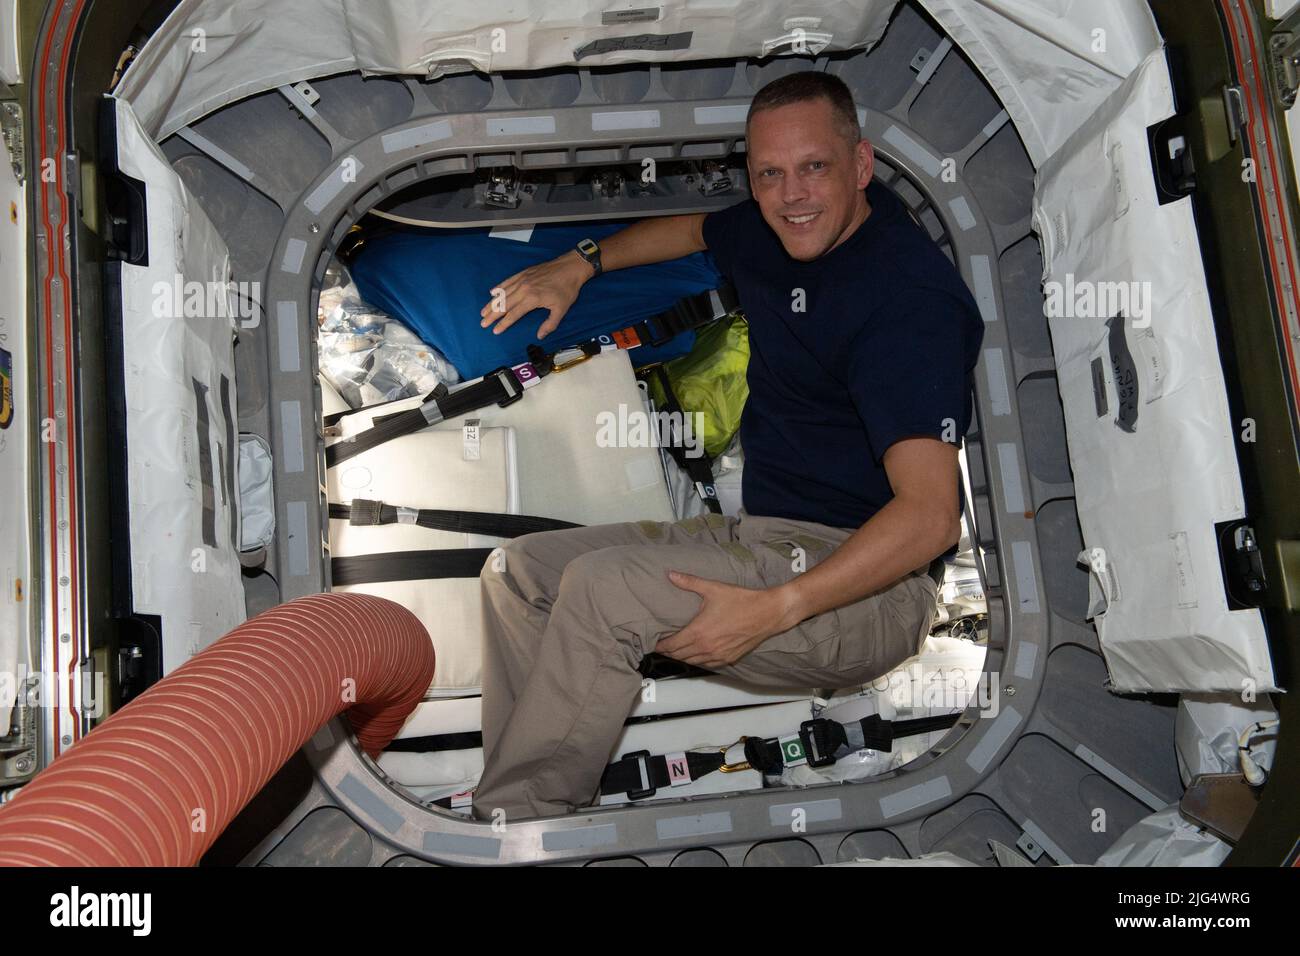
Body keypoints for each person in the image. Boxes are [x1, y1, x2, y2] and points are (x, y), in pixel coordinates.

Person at [470, 71, 984, 820]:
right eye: (770, 173)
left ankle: (517, 827)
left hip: (868, 590)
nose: (793, 194)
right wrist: (580, 264)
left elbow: (932, 517)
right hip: (761, 536)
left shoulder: (909, 303)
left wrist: (776, 608)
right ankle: (521, 794)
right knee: (518, 571)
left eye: (815, 167)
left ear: (862, 165)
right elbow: (694, 230)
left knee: (602, 589)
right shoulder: (774, 228)